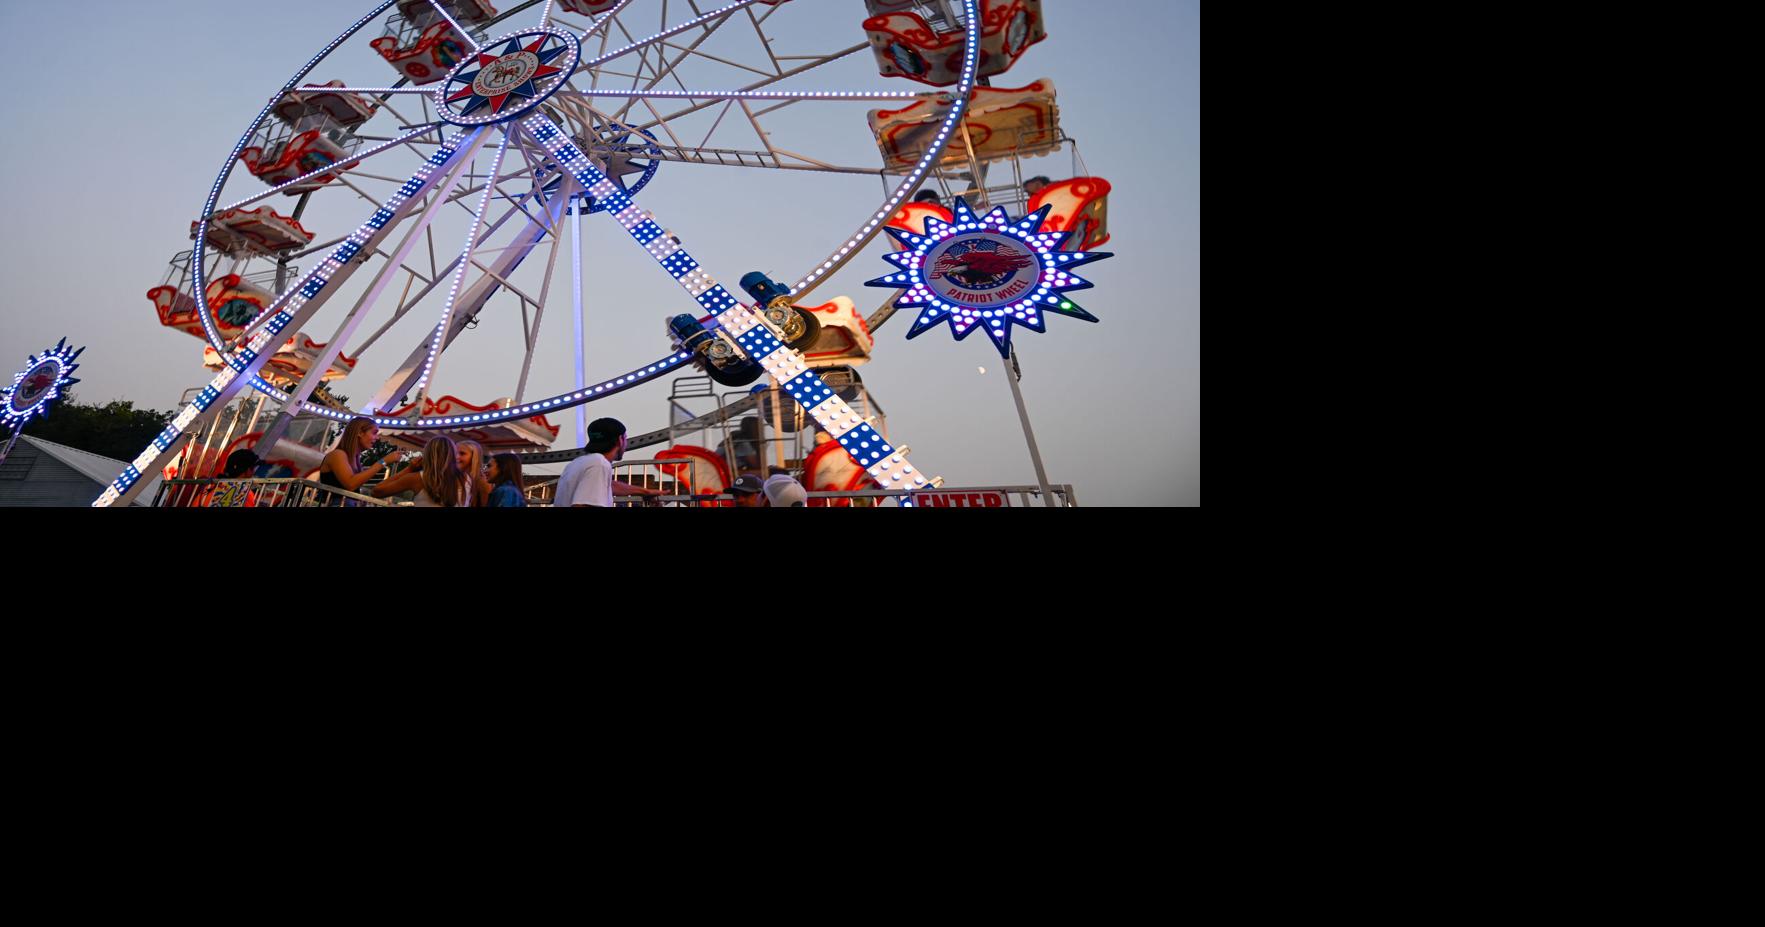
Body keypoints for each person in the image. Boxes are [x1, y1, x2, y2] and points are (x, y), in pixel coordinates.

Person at [553, 417, 665, 507]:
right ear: (620, 440)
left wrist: (645, 492)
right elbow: (583, 504)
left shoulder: (579, 462)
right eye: (625, 438)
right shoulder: (599, 464)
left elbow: (609, 485)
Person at [319, 417, 401, 504]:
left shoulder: (355, 458)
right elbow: (350, 484)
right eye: (374, 433)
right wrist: (383, 461)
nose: (377, 438)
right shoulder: (338, 454)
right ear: (360, 433)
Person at [372, 435, 472, 507]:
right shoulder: (466, 479)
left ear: (427, 455)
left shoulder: (418, 479)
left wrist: (409, 469)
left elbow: (377, 491)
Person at [457, 439, 493, 508]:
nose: (456, 457)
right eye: (455, 453)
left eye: (462, 453)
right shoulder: (452, 477)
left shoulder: (482, 481)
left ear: (474, 457)